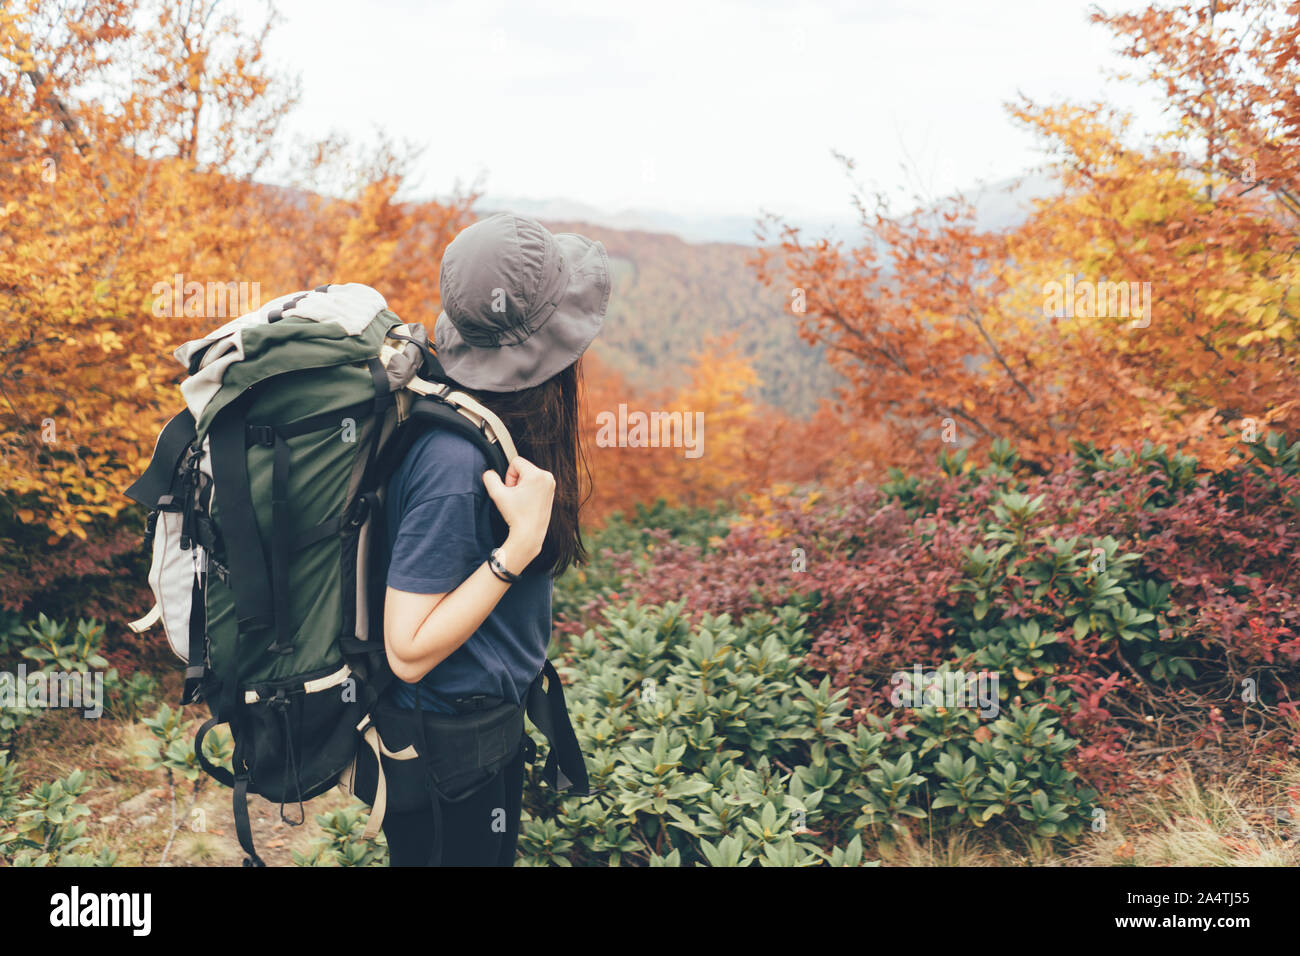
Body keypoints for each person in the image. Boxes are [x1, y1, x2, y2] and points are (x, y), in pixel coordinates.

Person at [378, 212, 610, 866]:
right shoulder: (453, 465)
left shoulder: (485, 429)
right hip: (449, 751)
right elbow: (408, 648)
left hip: (471, 737)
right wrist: (519, 547)